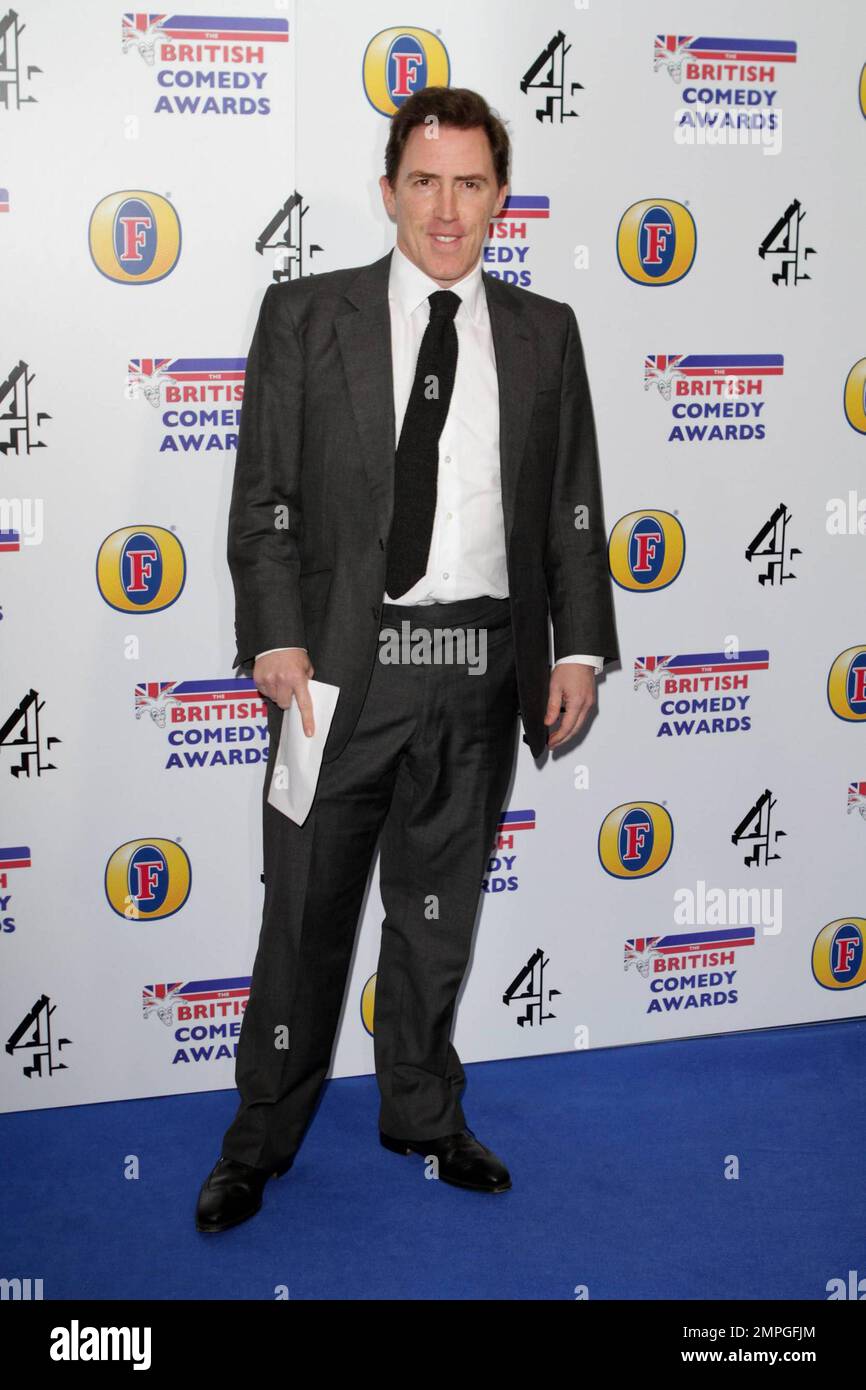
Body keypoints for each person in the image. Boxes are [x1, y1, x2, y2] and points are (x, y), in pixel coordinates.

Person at [196, 86, 619, 1233]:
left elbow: (570, 508)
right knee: (304, 917)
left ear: (499, 198)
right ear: (388, 191)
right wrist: (275, 633)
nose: (446, 206)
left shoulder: (545, 332)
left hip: (479, 666)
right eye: (423, 181)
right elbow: (264, 502)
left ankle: (422, 1114)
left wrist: (575, 644)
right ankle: (258, 1139)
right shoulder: (305, 315)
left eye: (470, 183)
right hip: (339, 671)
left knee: (436, 918)